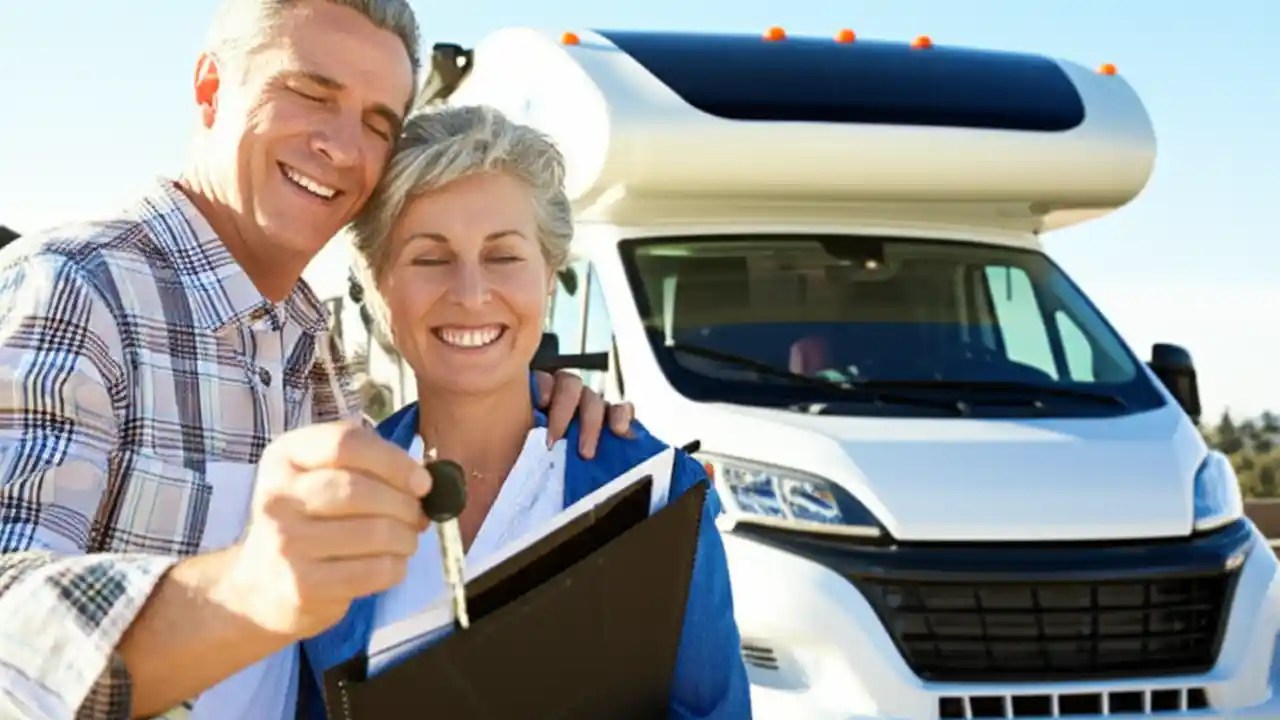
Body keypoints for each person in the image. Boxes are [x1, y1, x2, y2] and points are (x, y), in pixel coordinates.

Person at [0, 1, 633, 718]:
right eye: (310, 94)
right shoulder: (76, 289)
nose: (341, 146)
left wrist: (526, 398)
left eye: (376, 124)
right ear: (210, 88)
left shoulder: (313, 351)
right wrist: (248, 590)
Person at [298, 104, 752, 718]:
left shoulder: (657, 492)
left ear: (549, 276)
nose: (470, 294)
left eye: (504, 256)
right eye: (430, 258)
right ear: (379, 288)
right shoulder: (331, 500)